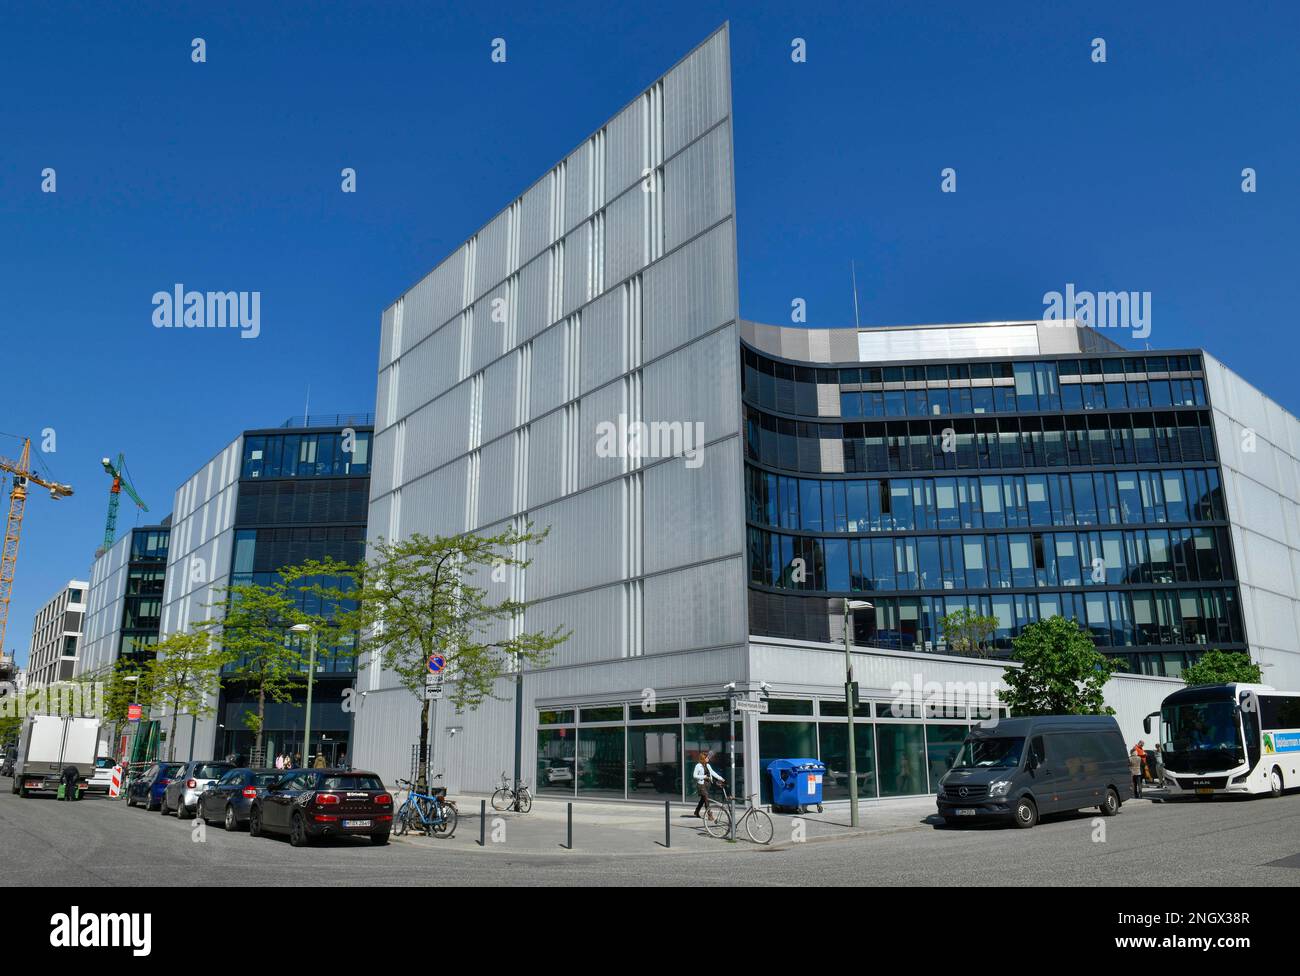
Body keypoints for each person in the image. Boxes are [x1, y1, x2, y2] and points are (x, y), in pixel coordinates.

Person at [692, 750, 725, 818]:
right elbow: (694, 775)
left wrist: (720, 778)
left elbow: (712, 772)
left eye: (708, 757)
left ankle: (696, 811)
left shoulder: (708, 765)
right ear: (703, 758)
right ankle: (709, 814)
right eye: (706, 757)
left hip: (707, 784)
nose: (708, 759)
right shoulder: (698, 765)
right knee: (706, 798)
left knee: (703, 799)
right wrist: (704, 776)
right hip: (701, 785)